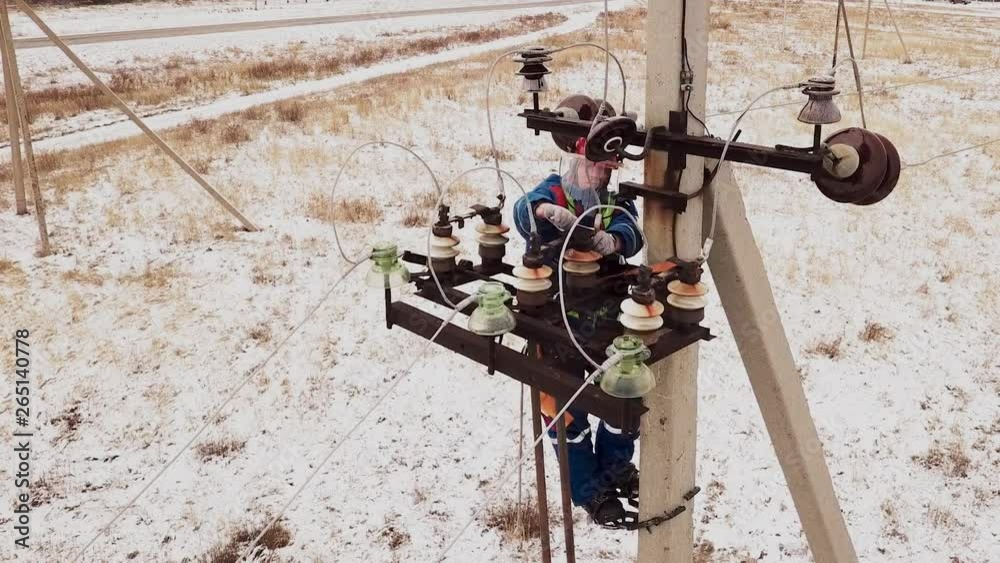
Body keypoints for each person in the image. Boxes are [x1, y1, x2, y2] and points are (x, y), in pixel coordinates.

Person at [512, 137, 643, 528]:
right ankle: (589, 489)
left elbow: (632, 232)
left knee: (622, 398)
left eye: (606, 169)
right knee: (564, 410)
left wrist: (613, 240)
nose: (600, 174)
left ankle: (616, 469)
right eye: (594, 166)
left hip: (606, 318)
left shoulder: (612, 201)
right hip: (555, 318)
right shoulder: (551, 190)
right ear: (574, 163)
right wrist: (544, 212)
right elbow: (522, 213)